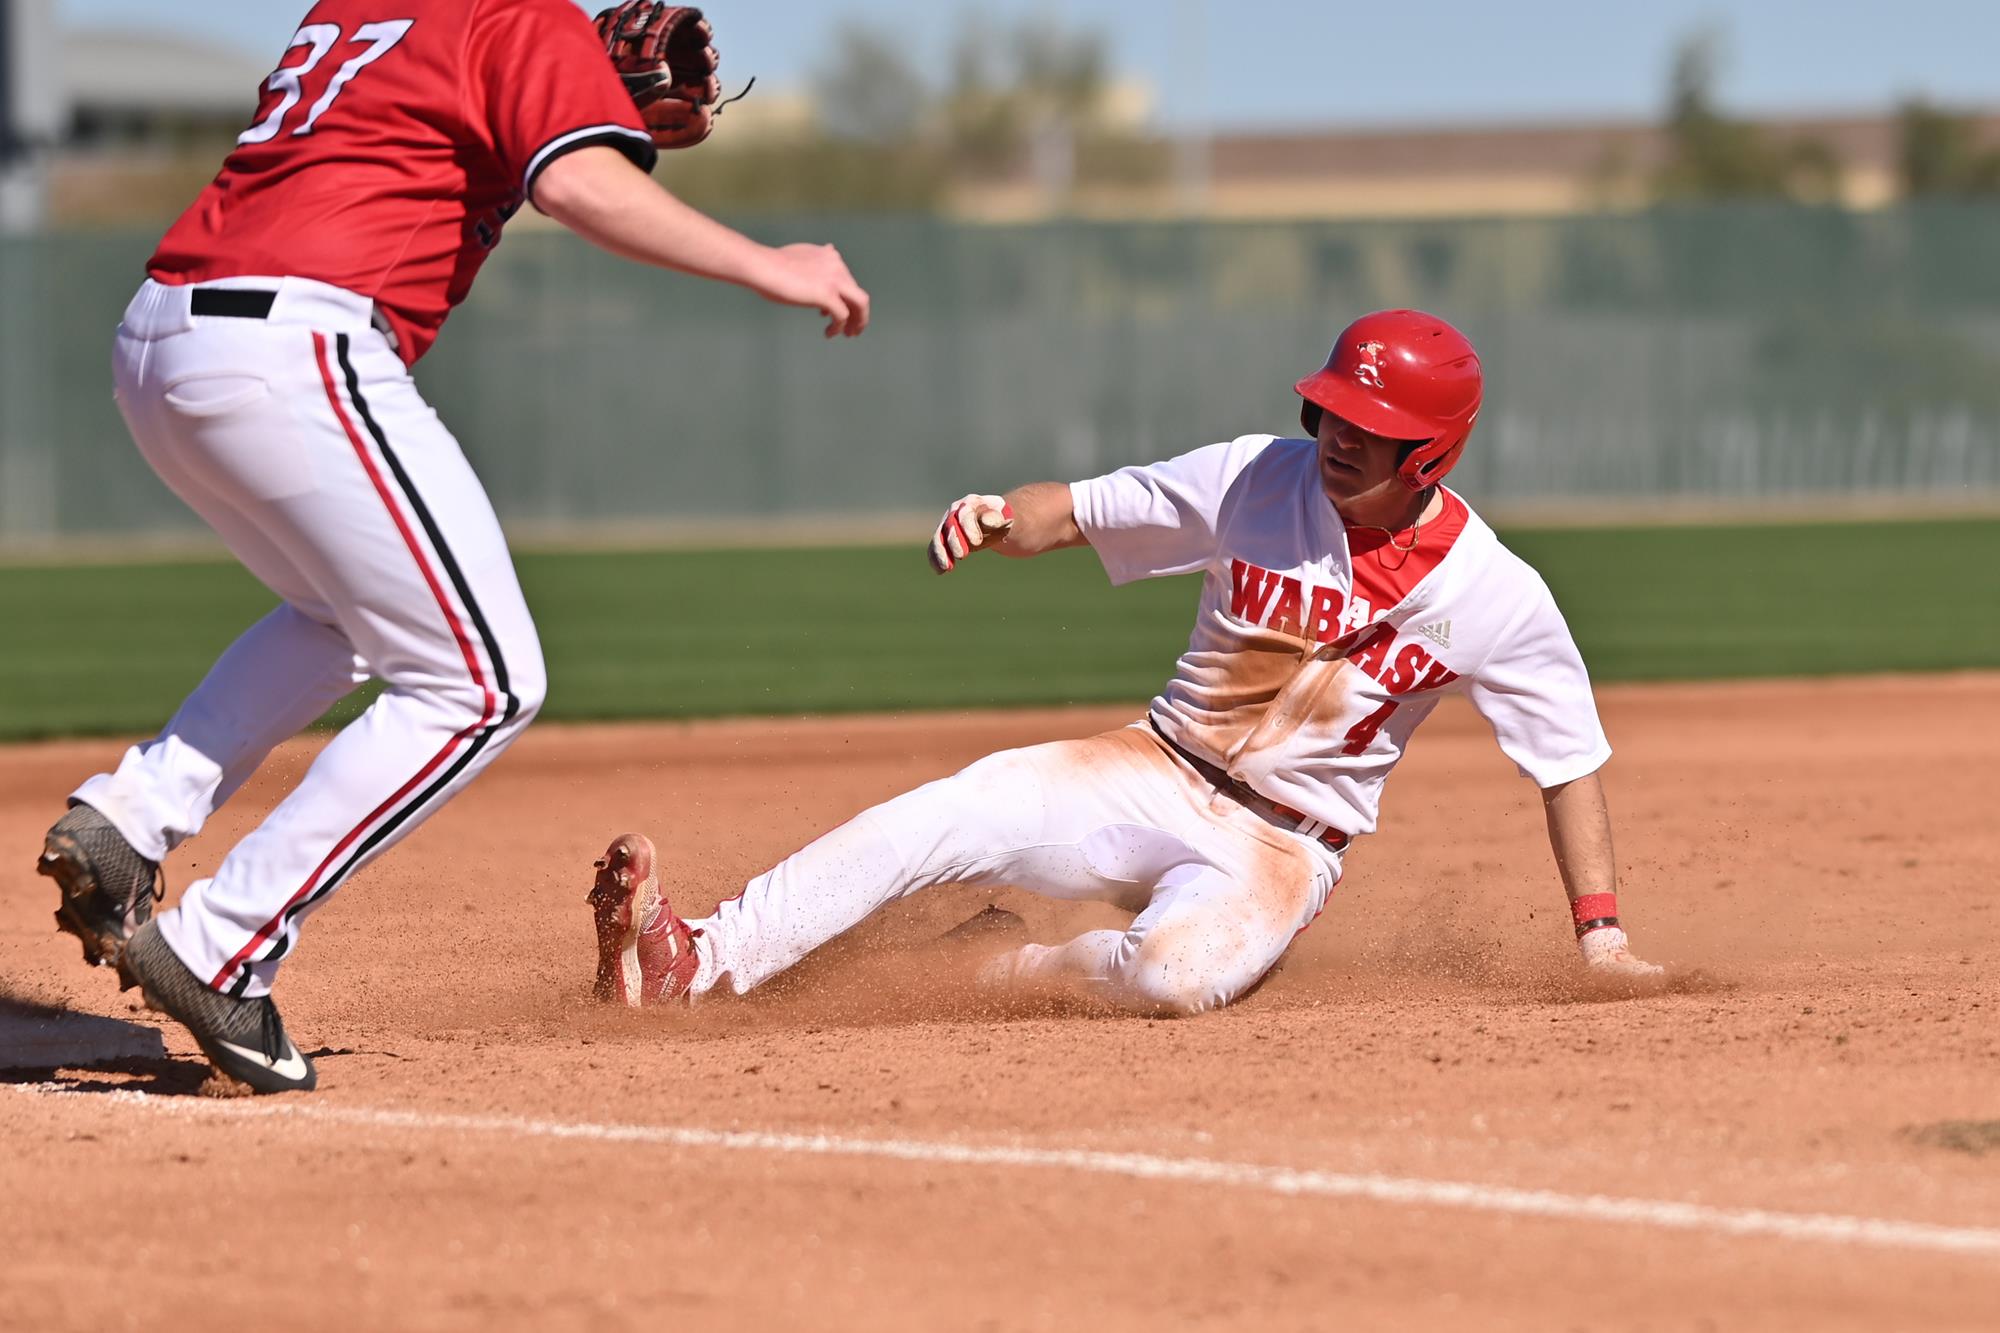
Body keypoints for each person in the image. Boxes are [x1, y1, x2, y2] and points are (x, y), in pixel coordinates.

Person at [35, 0, 869, 1095]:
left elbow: (443, 136)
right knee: (483, 680)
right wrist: (772, 262)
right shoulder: (522, 15)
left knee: (343, 619)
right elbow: (574, 184)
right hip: (298, 342)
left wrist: (586, 91)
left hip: (169, 335)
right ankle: (218, 946)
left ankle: (127, 823)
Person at [588, 308, 1666, 1015]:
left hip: (1277, 849)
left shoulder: (1493, 593)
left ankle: (997, 965)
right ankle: (697, 960)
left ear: (1428, 453)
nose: (1335, 434)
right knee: (944, 812)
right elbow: (1085, 510)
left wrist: (1600, 936)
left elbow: (1564, 763)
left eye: (1367, 425)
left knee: (1172, 977)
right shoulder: (1256, 478)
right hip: (1145, 765)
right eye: (1330, 408)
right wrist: (1003, 514)